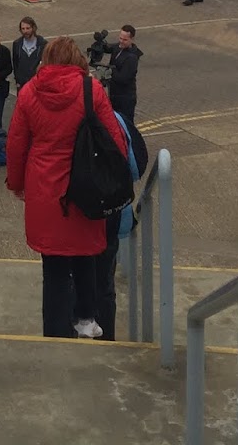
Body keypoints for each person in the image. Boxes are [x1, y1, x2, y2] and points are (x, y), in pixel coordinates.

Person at [6, 36, 128, 339]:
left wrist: (17, 184)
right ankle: (86, 318)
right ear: (77, 60)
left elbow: (16, 145)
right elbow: (115, 142)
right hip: (84, 187)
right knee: (85, 255)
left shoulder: (29, 92)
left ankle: (54, 333)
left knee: (54, 268)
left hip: (44, 188)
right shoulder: (91, 90)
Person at [94, 109, 147, 341]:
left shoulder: (47, 112)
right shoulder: (113, 118)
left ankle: (67, 337)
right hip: (108, 214)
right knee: (105, 283)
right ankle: (105, 339)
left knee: (66, 279)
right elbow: (135, 168)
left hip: (69, 215)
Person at [107, 24, 141, 123]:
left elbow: (123, 78)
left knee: (126, 124)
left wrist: (110, 70)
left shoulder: (132, 58)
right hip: (115, 95)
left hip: (125, 98)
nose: (121, 41)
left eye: (125, 40)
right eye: (120, 38)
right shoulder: (119, 47)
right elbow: (109, 47)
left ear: (132, 39)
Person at [13, 17, 46, 87]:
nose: (25, 31)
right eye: (23, 29)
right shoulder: (17, 44)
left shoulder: (43, 44)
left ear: (33, 28)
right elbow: (15, 64)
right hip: (22, 83)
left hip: (37, 83)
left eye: (28, 28)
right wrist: (17, 80)